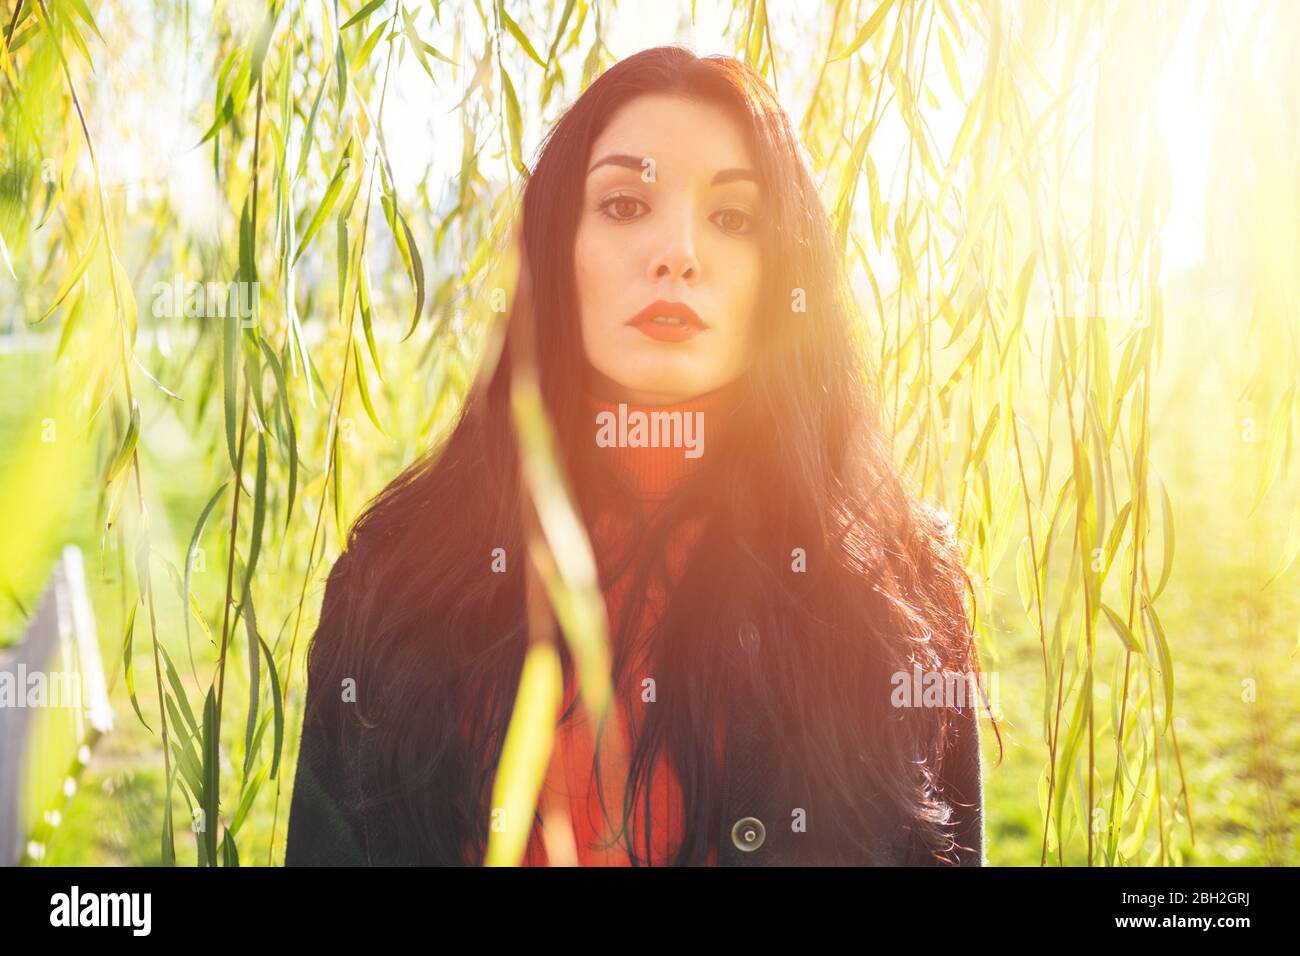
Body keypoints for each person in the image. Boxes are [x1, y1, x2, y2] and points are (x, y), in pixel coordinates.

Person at [285, 45, 993, 867]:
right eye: (625, 205)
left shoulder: (897, 592)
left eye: (734, 218)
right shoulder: (397, 574)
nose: (679, 253)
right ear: (556, 249)